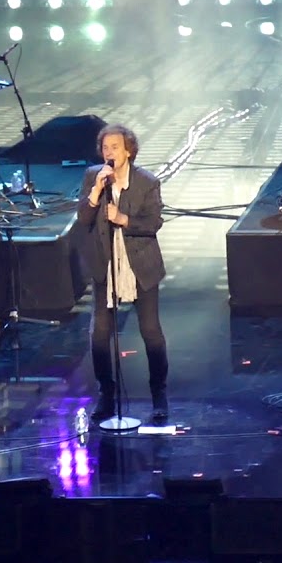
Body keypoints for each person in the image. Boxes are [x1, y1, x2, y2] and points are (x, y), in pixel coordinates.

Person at [76, 122, 170, 422]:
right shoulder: (94, 176)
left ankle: (158, 393)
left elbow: (153, 222)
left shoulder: (146, 181)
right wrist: (95, 193)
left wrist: (123, 218)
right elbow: (83, 218)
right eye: (105, 148)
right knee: (99, 334)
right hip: (105, 263)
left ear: (128, 151)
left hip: (140, 263)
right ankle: (106, 392)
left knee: (151, 331)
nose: (109, 152)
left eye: (115, 147)